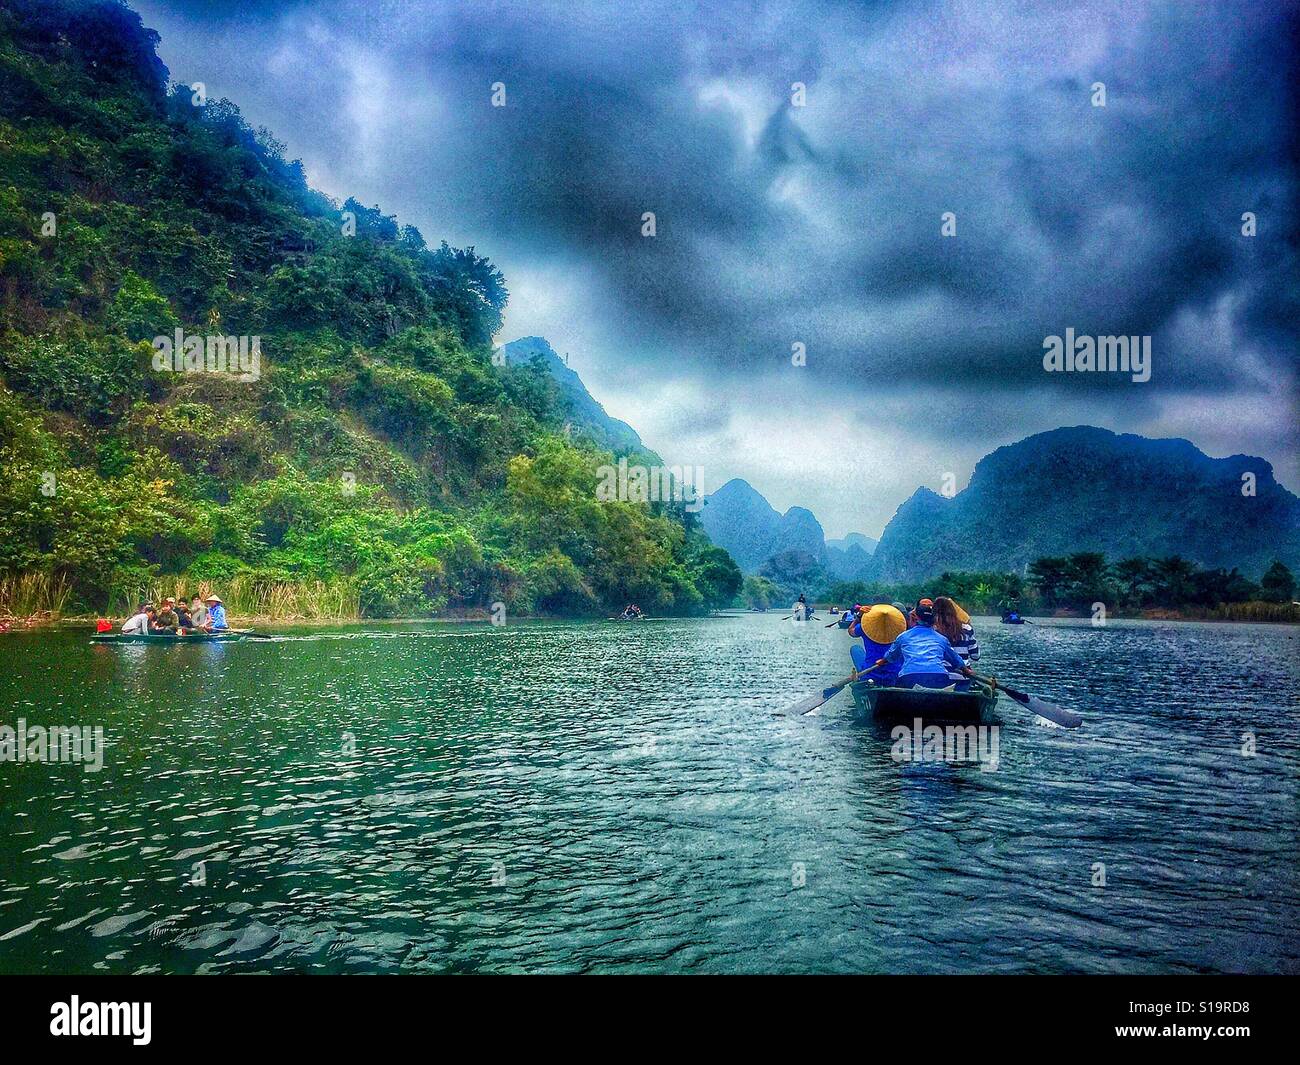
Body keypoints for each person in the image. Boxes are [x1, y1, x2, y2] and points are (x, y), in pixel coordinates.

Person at [872, 598, 972, 690]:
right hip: (939, 678)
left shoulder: (903, 636)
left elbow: (891, 656)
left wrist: (883, 661)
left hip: (909, 677)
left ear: (917, 618)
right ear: (934, 620)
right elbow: (957, 661)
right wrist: (966, 671)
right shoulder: (942, 639)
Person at [849, 604, 906, 685]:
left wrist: (858, 617)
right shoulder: (904, 631)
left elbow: (851, 631)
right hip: (895, 674)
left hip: (870, 674)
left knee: (855, 649)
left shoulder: (864, 627)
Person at [934, 596, 979, 689]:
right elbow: (976, 656)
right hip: (963, 677)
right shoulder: (967, 628)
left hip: (941, 677)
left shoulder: (933, 630)